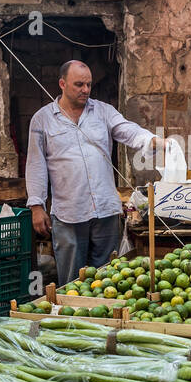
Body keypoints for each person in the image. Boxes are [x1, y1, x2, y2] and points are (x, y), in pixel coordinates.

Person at [25, 60, 160, 285]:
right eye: (79, 84)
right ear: (62, 84)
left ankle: (107, 318)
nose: (85, 90)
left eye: (88, 84)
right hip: (69, 213)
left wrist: (150, 140)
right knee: (71, 281)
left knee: (108, 278)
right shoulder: (42, 119)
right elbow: (36, 164)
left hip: (106, 211)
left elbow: (126, 130)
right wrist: (37, 206)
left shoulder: (103, 111)